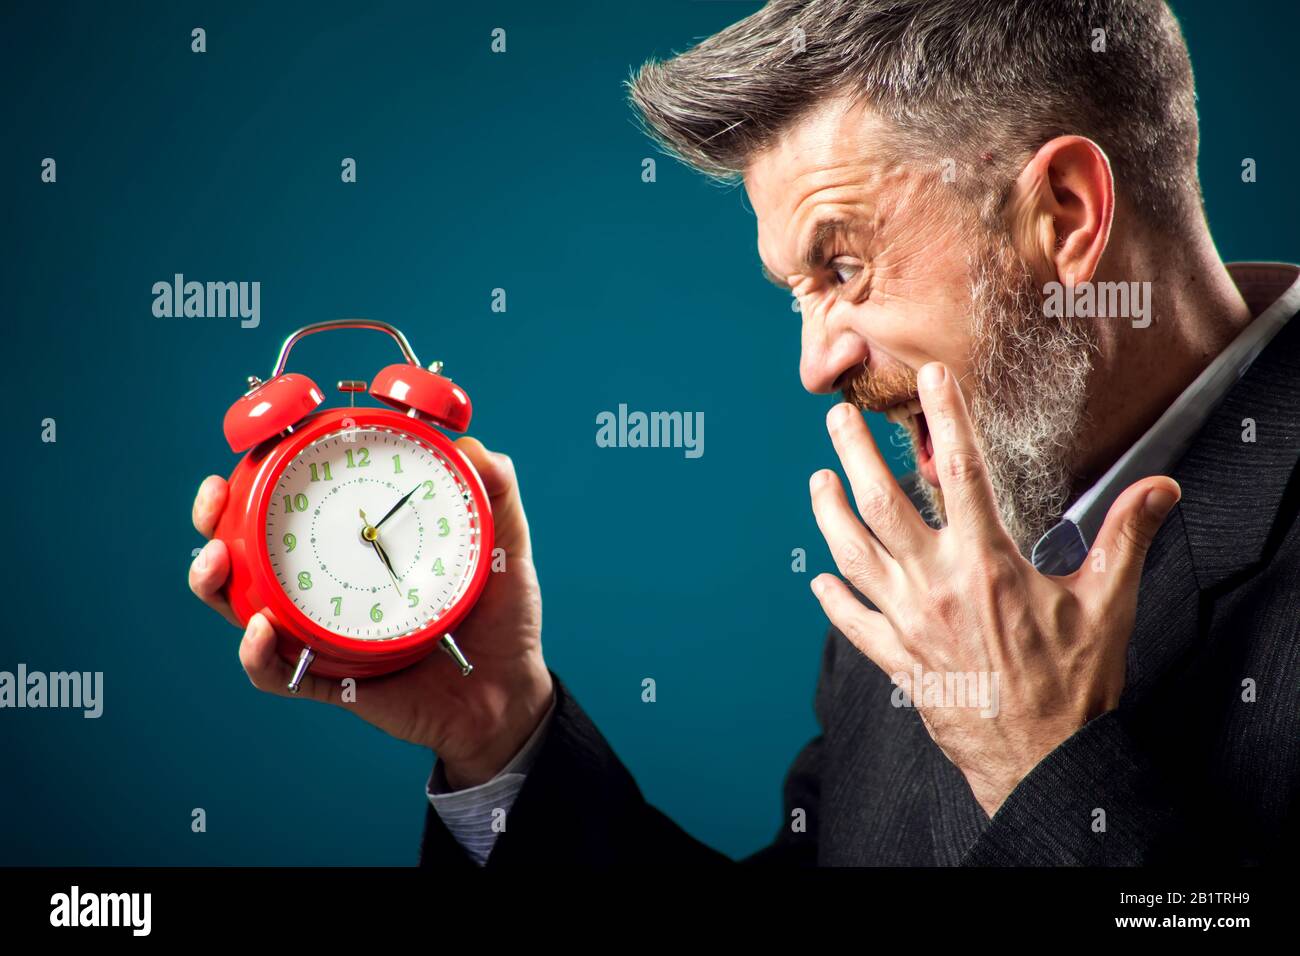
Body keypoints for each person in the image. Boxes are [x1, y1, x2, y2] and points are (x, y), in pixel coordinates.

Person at [188, 0, 1300, 865]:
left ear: (1062, 213)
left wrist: (1047, 765)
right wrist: (496, 728)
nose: (816, 363)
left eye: (843, 266)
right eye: (795, 293)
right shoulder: (918, 577)